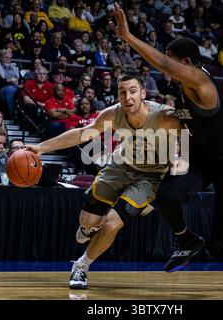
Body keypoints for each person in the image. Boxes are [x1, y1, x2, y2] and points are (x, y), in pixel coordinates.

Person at [111, 3, 223, 294]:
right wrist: (176, 152)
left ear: (186, 62)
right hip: (202, 159)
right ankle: (186, 240)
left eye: (174, 62)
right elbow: (188, 125)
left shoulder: (200, 81)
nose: (168, 68)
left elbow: (163, 64)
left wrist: (128, 36)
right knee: (166, 196)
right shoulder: (178, 89)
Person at [26, 71, 181, 289]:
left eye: (133, 91)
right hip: (119, 166)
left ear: (144, 93)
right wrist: (41, 147)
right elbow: (81, 134)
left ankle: (81, 266)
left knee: (113, 223)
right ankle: (89, 228)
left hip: (150, 176)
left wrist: (176, 160)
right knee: (86, 222)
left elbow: (187, 134)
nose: (127, 97)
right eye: (122, 92)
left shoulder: (164, 114)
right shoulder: (112, 114)